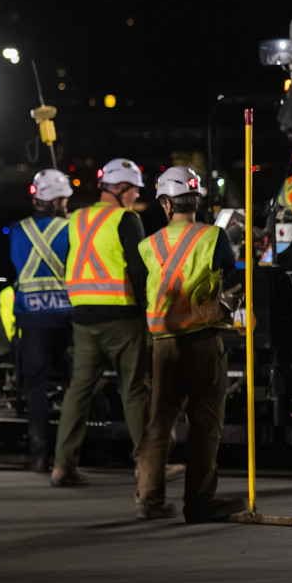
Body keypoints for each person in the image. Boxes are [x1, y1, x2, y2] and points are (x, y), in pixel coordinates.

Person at [133, 167, 243, 522]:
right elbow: (231, 277)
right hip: (202, 343)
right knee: (205, 425)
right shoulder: (214, 237)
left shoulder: (147, 246)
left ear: (165, 204)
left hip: (163, 346)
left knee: (158, 425)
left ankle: (149, 501)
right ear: (196, 200)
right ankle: (198, 503)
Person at [52, 158, 152, 487]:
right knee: (134, 390)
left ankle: (62, 466)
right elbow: (138, 269)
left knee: (78, 391)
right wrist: (144, 308)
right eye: (134, 190)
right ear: (122, 189)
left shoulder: (77, 218)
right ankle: (146, 465)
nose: (136, 196)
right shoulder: (127, 220)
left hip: (82, 316)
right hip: (121, 315)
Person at [9, 169, 73, 472]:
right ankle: (74, 449)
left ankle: (38, 451)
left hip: (31, 319)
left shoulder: (18, 230)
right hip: (67, 317)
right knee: (79, 385)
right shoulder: (73, 229)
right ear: (58, 199)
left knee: (35, 386)